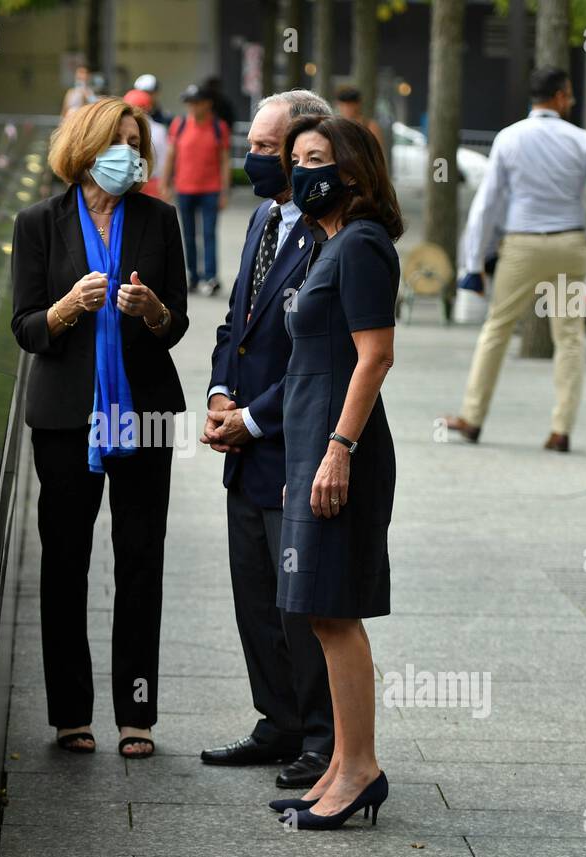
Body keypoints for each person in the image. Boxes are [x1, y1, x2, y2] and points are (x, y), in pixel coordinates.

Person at [9, 96, 189, 759]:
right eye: (118, 140)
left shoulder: (160, 219)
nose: (129, 153)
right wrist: (62, 310)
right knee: (66, 563)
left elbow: (178, 325)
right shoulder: (38, 223)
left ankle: (136, 715)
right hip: (64, 416)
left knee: (141, 560)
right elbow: (25, 326)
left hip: (144, 412)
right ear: (84, 148)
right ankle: (70, 715)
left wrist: (152, 310)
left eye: (135, 142)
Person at [200, 89, 336, 790]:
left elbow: (320, 359)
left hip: (295, 446)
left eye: (261, 148)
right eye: (249, 144)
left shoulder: (328, 236)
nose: (249, 158)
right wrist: (221, 395)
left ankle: (320, 739)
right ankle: (277, 721)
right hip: (244, 442)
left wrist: (253, 418)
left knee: (299, 603)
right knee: (253, 594)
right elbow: (236, 327)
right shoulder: (259, 217)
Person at [271, 114, 402, 829]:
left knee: (336, 611)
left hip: (343, 451)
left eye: (315, 158)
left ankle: (360, 768)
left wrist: (336, 450)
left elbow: (374, 355)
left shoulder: (361, 246)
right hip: (315, 446)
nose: (300, 171)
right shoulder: (329, 245)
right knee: (320, 610)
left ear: (352, 170)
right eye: (295, 160)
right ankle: (342, 766)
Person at [444, 67, 586, 453]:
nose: (571, 102)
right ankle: (561, 429)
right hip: (570, 242)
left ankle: (472, 418)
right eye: (569, 95)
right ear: (559, 97)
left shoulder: (509, 138)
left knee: (497, 329)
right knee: (570, 337)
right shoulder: (583, 140)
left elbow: (486, 205)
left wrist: (473, 263)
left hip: (522, 245)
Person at [162, 83, 231, 295]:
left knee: (209, 234)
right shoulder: (179, 124)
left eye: (196, 102)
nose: (191, 106)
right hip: (184, 188)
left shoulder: (219, 128)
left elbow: (225, 162)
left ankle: (210, 278)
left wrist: (225, 192)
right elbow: (171, 155)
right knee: (188, 235)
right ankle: (192, 276)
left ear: (207, 104)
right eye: (189, 102)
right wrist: (166, 183)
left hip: (210, 189)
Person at [123, 88, 166, 198]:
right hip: (146, 181)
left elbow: (163, 160)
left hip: (141, 181)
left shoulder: (157, 130)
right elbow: (163, 160)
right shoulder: (159, 129)